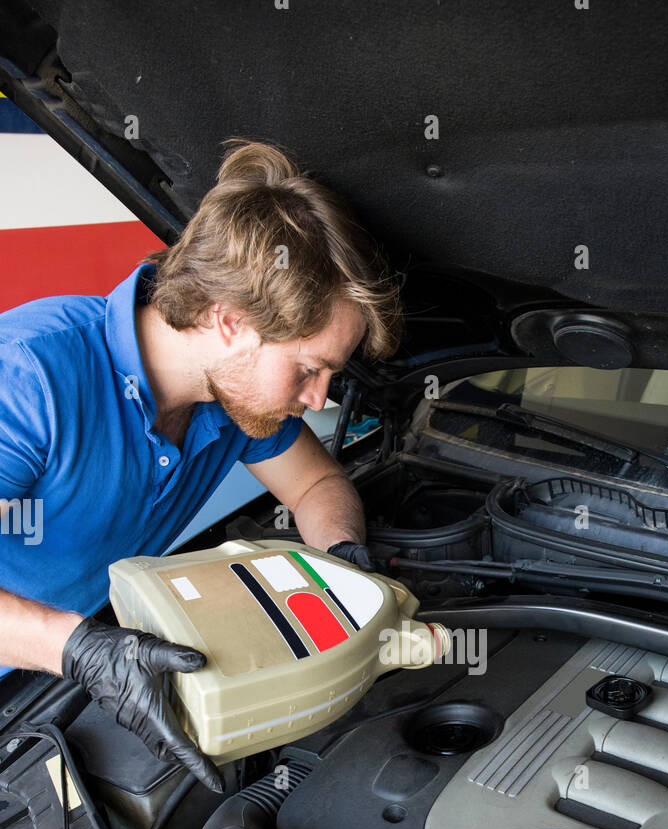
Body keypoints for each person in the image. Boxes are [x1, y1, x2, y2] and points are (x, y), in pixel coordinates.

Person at [0, 140, 402, 791]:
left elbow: (318, 483)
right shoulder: (31, 378)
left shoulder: (232, 405)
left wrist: (342, 559)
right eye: (308, 369)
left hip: (63, 673)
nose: (319, 399)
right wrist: (74, 649)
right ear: (228, 321)